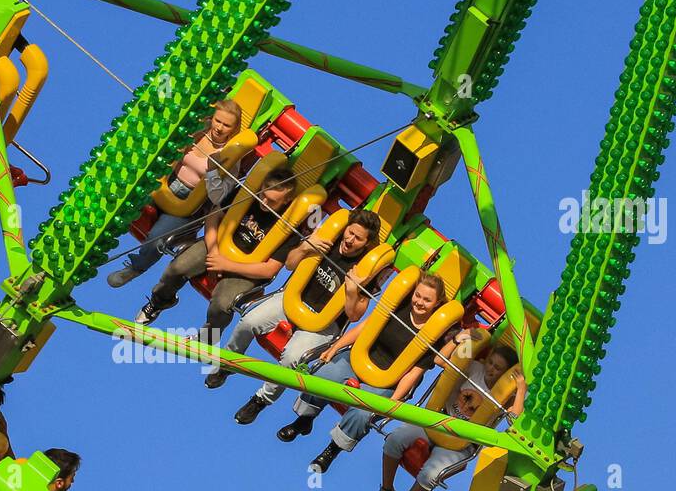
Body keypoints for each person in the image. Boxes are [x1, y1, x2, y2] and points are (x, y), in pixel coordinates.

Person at [206, 209, 383, 427]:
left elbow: (355, 315)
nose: (349, 240)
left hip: (322, 323)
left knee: (292, 358)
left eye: (357, 239)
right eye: (350, 232)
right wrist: (305, 247)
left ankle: (261, 400)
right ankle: (228, 363)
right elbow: (290, 264)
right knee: (249, 320)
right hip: (291, 300)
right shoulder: (329, 237)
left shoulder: (366, 269)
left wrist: (352, 290)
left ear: (366, 244)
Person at [277, 272, 452, 475]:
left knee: (363, 412)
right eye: (418, 295)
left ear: (437, 303)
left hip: (387, 380)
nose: (419, 302)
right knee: (324, 376)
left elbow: (414, 373)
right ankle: (303, 420)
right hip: (359, 359)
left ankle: (332, 450)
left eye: (427, 300)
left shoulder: (434, 334)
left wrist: (394, 400)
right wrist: (335, 348)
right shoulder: (399, 307)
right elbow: (364, 328)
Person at [136, 167, 299, 345]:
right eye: (263, 195)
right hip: (217, 247)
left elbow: (269, 270)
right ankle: (159, 302)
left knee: (222, 304)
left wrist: (225, 265)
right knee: (177, 267)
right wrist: (214, 252)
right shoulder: (246, 194)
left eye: (272, 201)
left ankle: (208, 337)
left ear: (286, 200)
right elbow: (214, 217)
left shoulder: (290, 226)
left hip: (245, 269)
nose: (264, 201)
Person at [368, 344, 527, 491]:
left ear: (505, 373)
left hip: (461, 442)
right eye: (490, 362)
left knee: (430, 475)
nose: (490, 368)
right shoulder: (474, 368)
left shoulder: (506, 394)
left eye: (497, 368)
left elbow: (514, 419)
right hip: (439, 422)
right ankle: (386, 490)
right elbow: (441, 360)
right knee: (394, 440)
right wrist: (466, 340)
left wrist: (520, 389)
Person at [108, 99, 244, 287]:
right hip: (167, 185)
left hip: (187, 204)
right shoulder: (198, 134)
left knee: (157, 239)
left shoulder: (230, 158)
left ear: (234, 129)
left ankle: (135, 268)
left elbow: (217, 198)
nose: (220, 128)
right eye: (218, 121)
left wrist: (213, 171)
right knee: (125, 197)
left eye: (227, 125)